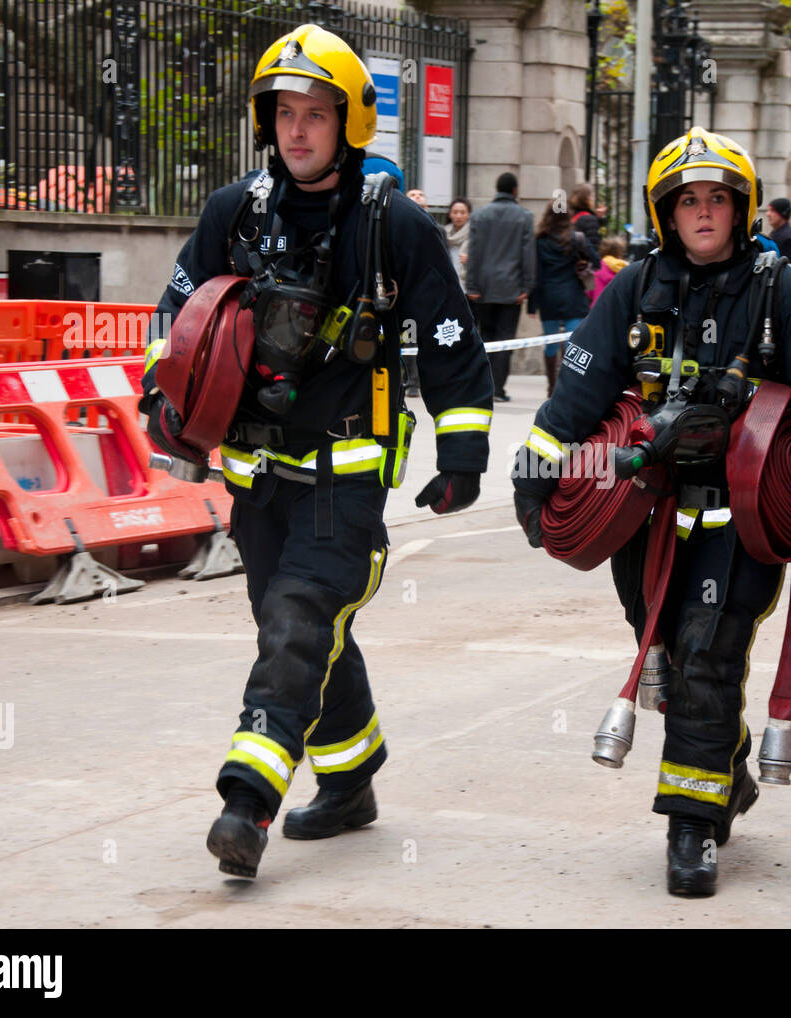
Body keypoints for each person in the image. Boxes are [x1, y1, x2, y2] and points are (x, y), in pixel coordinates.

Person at [138, 24, 494, 880]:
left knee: (298, 621)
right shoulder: (233, 211)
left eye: (317, 114)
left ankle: (245, 803)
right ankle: (352, 777)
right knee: (299, 627)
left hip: (348, 480)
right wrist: (164, 396)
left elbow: (450, 338)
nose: (298, 130)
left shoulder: (393, 226)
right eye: (284, 113)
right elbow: (175, 315)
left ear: (350, 123)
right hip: (257, 479)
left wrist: (463, 450)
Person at [512, 126, 791, 897]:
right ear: (667, 212)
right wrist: (534, 473)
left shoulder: (784, 292)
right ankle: (725, 775)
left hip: (741, 525)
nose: (702, 212)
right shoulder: (633, 291)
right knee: (674, 664)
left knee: (710, 657)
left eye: (717, 198)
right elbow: (577, 393)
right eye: (688, 201)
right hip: (645, 521)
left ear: (739, 210)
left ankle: (692, 826)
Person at [465, 172, 536, 402]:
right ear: (515, 190)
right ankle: (498, 389)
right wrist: (527, 285)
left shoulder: (479, 216)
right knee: (506, 339)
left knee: (486, 337)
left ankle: (483, 386)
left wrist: (472, 284)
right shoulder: (524, 217)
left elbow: (473, 253)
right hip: (511, 287)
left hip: (483, 287)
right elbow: (528, 254)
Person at [528, 205, 597, 396]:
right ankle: (567, 389)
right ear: (568, 218)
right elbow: (597, 261)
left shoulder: (540, 241)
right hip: (573, 297)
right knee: (571, 343)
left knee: (550, 344)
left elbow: (536, 274)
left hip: (548, 298)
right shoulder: (577, 239)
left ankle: (551, 386)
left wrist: (532, 306)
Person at [590, 234, 629, 306]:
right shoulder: (625, 268)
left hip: (597, 307)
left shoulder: (598, 266)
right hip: (617, 308)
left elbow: (590, 291)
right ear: (620, 252)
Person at [444, 196, 472, 288]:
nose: (458, 216)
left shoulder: (474, 234)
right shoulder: (443, 234)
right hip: (447, 284)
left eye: (463, 212)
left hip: (467, 286)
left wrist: (471, 259)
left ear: (469, 214)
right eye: (455, 212)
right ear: (450, 214)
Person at [764, 197, 791, 265]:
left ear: (782, 213)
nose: (768, 214)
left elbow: (788, 266)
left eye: (772, 211)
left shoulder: (788, 237)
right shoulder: (777, 232)